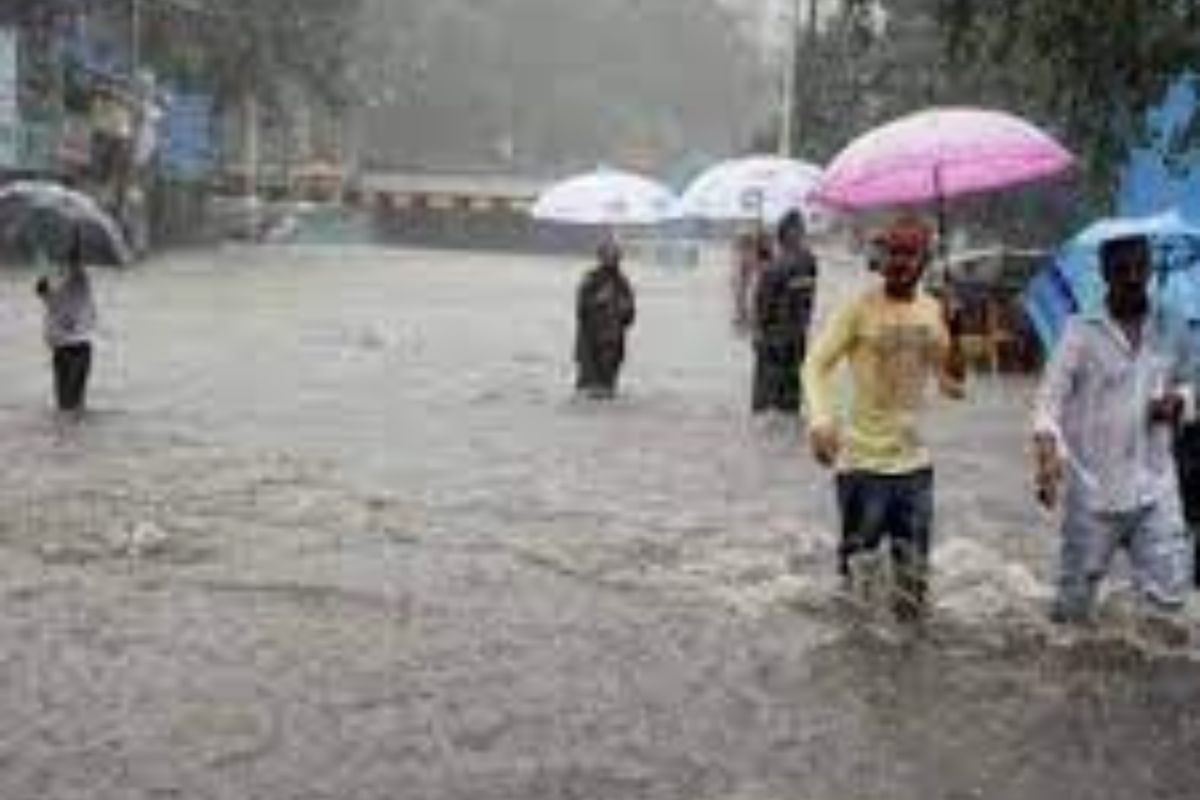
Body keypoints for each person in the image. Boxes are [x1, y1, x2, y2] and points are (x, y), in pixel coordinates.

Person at [803, 215, 966, 623]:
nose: (899, 262)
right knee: (856, 589)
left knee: (913, 592)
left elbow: (954, 386)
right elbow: (814, 365)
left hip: (915, 466)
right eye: (893, 252)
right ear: (881, 257)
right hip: (861, 464)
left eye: (909, 254)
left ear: (925, 260)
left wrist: (956, 331)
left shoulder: (934, 312)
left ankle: (907, 673)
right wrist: (821, 421)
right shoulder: (858, 308)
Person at [1033, 234, 1195, 626]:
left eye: (1141, 267)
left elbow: (1194, 381)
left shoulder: (1172, 324)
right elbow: (1047, 403)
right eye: (1122, 269)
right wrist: (1047, 454)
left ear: (1152, 268)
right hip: (1093, 493)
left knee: (1170, 609)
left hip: (1155, 488)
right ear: (1105, 272)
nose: (1133, 277)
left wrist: (1180, 401)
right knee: (1072, 615)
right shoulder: (1079, 332)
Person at [752, 210, 818, 414]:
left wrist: (764, 265)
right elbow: (803, 295)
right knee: (791, 399)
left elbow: (763, 304)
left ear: (783, 235)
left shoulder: (775, 267)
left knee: (766, 402)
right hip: (798, 337)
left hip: (774, 339)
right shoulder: (810, 262)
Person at [35, 229, 97, 414]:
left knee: (73, 403)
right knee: (64, 406)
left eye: (71, 259)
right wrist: (43, 290)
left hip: (78, 347)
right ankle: (68, 439)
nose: (68, 263)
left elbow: (77, 263)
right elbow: (51, 304)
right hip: (61, 348)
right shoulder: (58, 283)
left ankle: (73, 437)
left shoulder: (80, 279)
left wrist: (76, 237)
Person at [575, 238, 636, 398]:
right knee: (588, 391)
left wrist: (626, 309)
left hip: (613, 345)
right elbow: (580, 309)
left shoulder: (623, 282)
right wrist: (597, 301)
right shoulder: (591, 278)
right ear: (600, 257)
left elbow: (630, 318)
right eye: (608, 255)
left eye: (614, 255)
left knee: (608, 390)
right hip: (590, 345)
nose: (611, 259)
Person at [731, 229, 771, 335]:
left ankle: (748, 321)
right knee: (743, 297)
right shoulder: (749, 254)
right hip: (751, 281)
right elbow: (743, 271)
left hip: (759, 282)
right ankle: (744, 319)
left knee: (751, 299)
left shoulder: (759, 253)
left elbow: (758, 267)